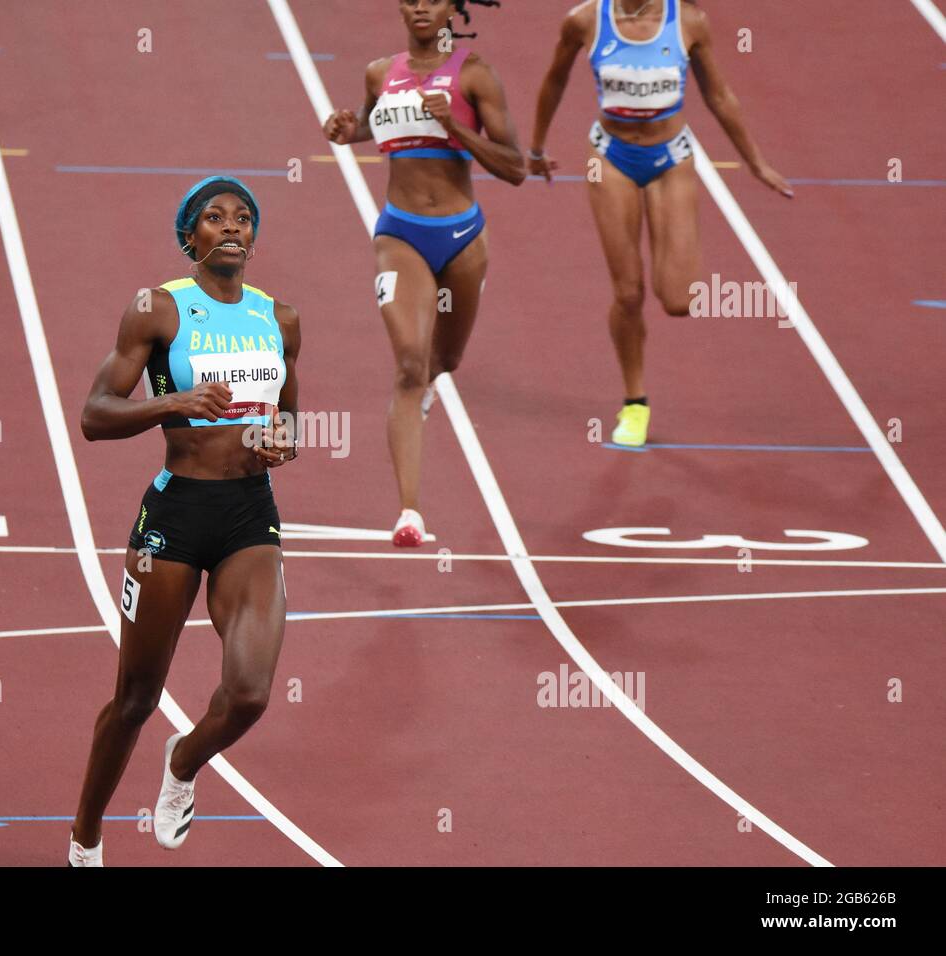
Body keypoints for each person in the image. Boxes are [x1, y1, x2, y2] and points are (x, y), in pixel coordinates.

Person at [67, 176, 300, 866]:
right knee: (136, 698)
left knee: (251, 693)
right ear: (188, 237)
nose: (232, 226)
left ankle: (185, 762)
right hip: (175, 514)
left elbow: (288, 417)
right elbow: (94, 415)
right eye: (213, 217)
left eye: (243, 217)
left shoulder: (279, 318)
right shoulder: (158, 311)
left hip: (249, 515)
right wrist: (177, 404)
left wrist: (284, 440)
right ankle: (84, 837)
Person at [528, 0, 792, 446]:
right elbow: (555, 79)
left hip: (670, 158)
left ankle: (677, 255)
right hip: (610, 158)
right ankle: (635, 403)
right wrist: (535, 148)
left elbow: (719, 94)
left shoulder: (688, 21)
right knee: (628, 291)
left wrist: (756, 163)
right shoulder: (585, 20)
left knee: (678, 298)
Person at [323, 0, 525, 546]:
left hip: (462, 237)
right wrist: (348, 128)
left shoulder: (474, 74)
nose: (418, 7)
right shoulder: (378, 73)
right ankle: (409, 512)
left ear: (450, 9)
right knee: (410, 366)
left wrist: (456, 127)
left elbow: (516, 168)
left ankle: (431, 382)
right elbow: (372, 123)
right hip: (400, 233)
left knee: (446, 359)